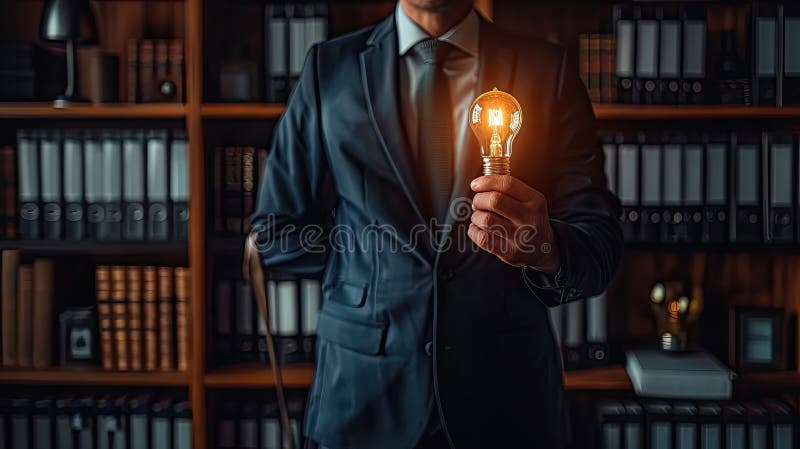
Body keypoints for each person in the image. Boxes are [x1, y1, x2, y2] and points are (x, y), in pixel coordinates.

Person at [250, 0, 623, 447]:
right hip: (362, 397)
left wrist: (546, 248)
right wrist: (375, 262)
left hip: (506, 403)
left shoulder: (547, 70)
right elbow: (273, 231)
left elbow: (599, 245)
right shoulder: (329, 68)